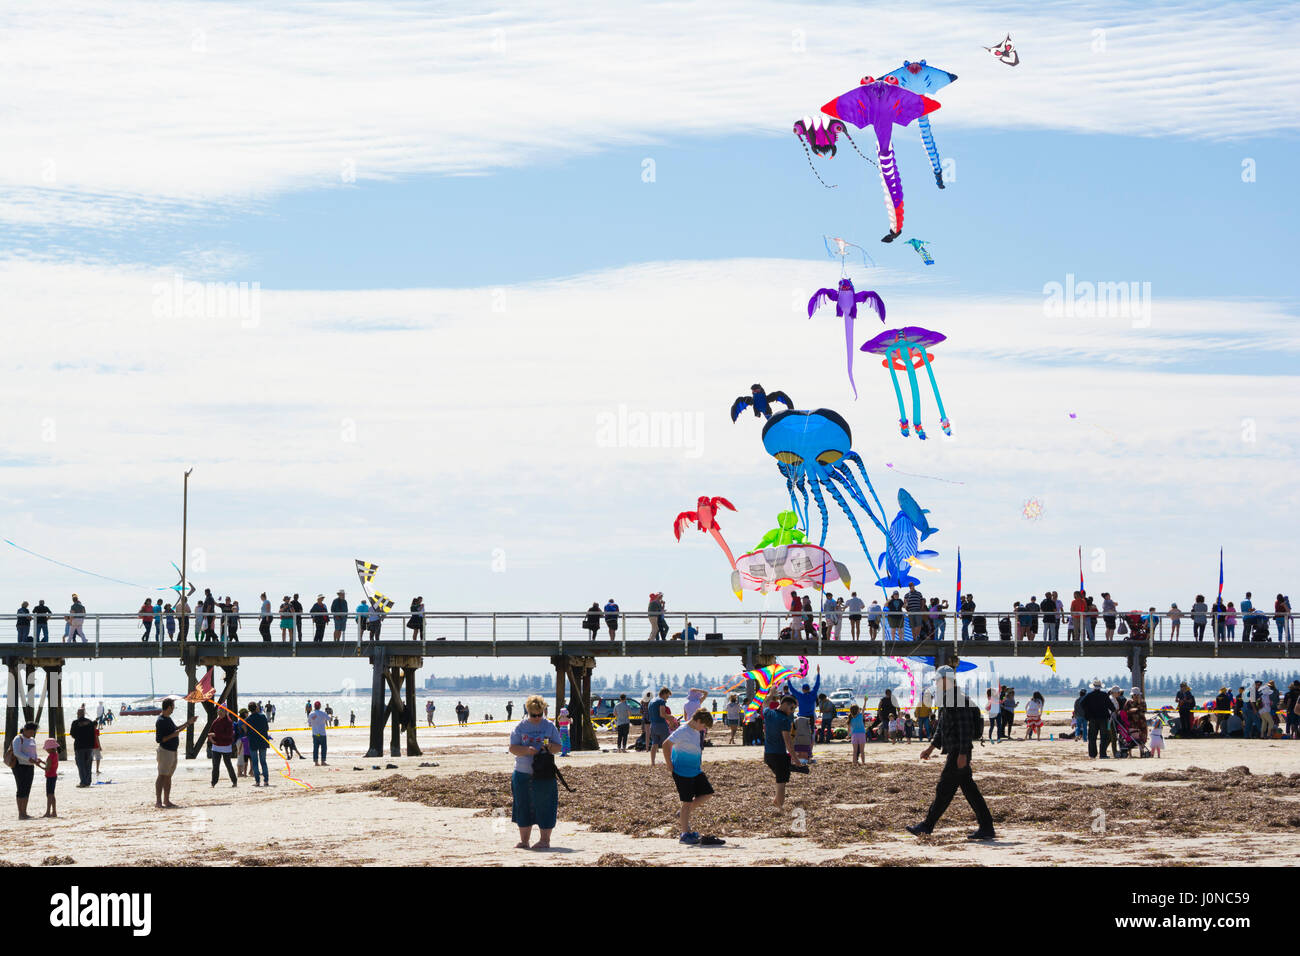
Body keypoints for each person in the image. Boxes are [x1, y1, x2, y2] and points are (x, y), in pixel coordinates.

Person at [907, 666, 995, 840]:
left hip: (958, 752)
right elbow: (942, 727)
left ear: (947, 680)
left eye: (938, 680)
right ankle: (986, 827)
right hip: (957, 751)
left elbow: (965, 727)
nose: (937, 684)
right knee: (970, 790)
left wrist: (962, 753)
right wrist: (931, 748)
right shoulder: (948, 698)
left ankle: (927, 826)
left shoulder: (957, 698)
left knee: (944, 790)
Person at [507, 695, 562, 850]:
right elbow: (512, 748)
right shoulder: (520, 727)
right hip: (522, 771)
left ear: (543, 711)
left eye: (540, 714)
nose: (537, 718)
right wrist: (526, 750)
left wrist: (550, 747)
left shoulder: (549, 726)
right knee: (522, 805)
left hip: (544, 772)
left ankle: (545, 840)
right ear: (528, 712)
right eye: (533, 715)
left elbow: (559, 747)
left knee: (546, 805)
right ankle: (524, 841)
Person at [664, 709, 720, 845]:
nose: (704, 729)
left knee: (708, 793)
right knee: (686, 802)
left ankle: (683, 814)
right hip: (682, 771)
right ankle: (685, 834)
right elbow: (666, 744)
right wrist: (669, 764)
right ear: (698, 721)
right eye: (704, 726)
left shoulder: (696, 730)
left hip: (695, 770)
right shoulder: (683, 730)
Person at [764, 695, 807, 810]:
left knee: (780, 780)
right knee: (781, 784)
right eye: (792, 708)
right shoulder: (784, 720)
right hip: (779, 755)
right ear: (785, 705)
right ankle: (779, 809)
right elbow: (788, 743)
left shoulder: (769, 713)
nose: (793, 711)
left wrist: (771, 693)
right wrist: (796, 760)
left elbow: (765, 704)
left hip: (768, 755)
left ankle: (776, 802)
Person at [155, 698, 197, 808]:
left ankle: (166, 800)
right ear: (169, 707)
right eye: (173, 706)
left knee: (168, 776)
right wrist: (173, 735)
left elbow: (176, 730)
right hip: (165, 752)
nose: (173, 708)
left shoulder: (168, 719)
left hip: (172, 752)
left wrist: (188, 723)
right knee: (161, 776)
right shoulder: (161, 721)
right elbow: (159, 739)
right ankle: (158, 802)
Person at [1083, 679, 1113, 757]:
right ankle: (1102, 754)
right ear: (1100, 687)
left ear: (1093, 687)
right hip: (1103, 718)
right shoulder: (1104, 695)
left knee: (1092, 737)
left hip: (1092, 719)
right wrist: (1114, 710)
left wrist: (1087, 713)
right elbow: (1111, 706)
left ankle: (1092, 754)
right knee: (1104, 737)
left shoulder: (1089, 695)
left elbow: (1082, 704)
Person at [69, 706, 97, 787]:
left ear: (78, 714)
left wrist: (79, 736)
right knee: (88, 765)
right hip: (89, 746)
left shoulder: (75, 723)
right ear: (84, 714)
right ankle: (88, 781)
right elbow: (93, 734)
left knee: (81, 765)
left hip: (79, 746)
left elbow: (72, 734)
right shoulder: (90, 722)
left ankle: (83, 782)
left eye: (78, 713)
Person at [210, 708, 237, 787]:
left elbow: (229, 735)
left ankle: (234, 781)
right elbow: (210, 732)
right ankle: (213, 782)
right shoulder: (215, 721)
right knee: (215, 765)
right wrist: (211, 739)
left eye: (222, 712)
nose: (220, 713)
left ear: (226, 713)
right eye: (219, 712)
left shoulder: (229, 722)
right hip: (216, 747)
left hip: (226, 746)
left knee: (228, 764)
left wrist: (216, 735)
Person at [246, 701, 271, 786]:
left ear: (249, 710)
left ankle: (257, 781)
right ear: (256, 708)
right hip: (262, 741)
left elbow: (247, 732)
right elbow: (267, 728)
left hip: (253, 742)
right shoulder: (263, 717)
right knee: (263, 761)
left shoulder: (248, 720)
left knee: (255, 762)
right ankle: (266, 780)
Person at [646, 687, 673, 766]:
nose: (667, 699)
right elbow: (662, 714)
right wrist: (671, 717)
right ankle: (669, 762)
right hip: (661, 724)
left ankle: (653, 763)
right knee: (667, 744)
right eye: (667, 696)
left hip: (653, 725)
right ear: (664, 694)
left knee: (654, 744)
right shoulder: (661, 701)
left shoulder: (651, 701)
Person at [40, 738, 60, 818]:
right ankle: (54, 812)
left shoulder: (50, 757)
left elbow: (47, 768)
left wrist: (38, 765)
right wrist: (42, 762)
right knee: (52, 794)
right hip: (54, 775)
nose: (46, 750)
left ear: (50, 748)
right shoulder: (55, 755)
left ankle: (48, 812)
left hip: (50, 777)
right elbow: (50, 765)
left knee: (49, 795)